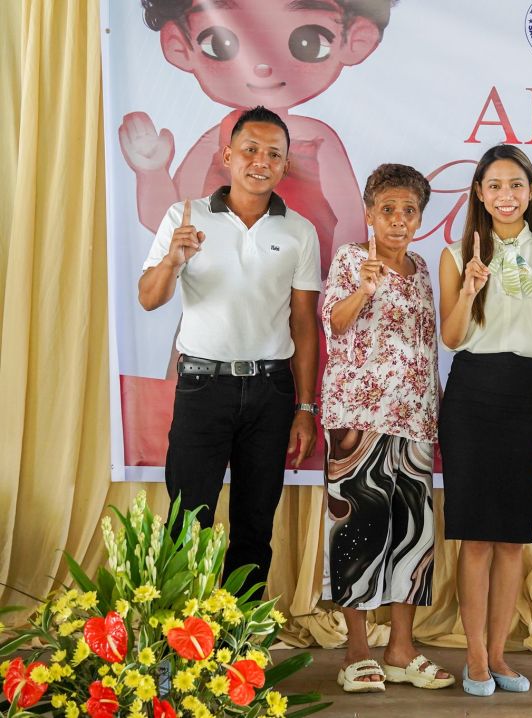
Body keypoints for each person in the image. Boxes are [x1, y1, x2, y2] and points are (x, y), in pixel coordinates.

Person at [138, 106, 320, 598]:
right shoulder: (185, 216)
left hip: (271, 389)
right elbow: (149, 298)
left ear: (285, 165)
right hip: (203, 386)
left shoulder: (299, 231)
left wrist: (305, 407)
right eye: (250, 150)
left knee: (255, 524)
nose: (261, 161)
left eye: (273, 154)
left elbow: (304, 325)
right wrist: (174, 260)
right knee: (186, 522)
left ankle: (239, 652)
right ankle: (177, 650)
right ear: (228, 156)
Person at [438, 144, 532, 696]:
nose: (505, 195)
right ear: (478, 192)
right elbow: (450, 338)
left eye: (515, 185)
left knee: (513, 539)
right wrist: (470, 287)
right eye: (494, 185)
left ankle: (500, 655)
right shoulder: (454, 255)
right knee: (475, 539)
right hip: (470, 396)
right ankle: (473, 656)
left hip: (525, 398)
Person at [122, 0, 395, 270]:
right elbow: (171, 221)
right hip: (223, 287)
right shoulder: (217, 141)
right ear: (180, 46)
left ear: (355, 40)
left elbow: (349, 221)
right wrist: (152, 173)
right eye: (220, 44)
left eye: (308, 42)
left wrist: (335, 284)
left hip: (304, 286)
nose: (261, 65)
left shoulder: (316, 138)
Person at [320, 164, 454, 693]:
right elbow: (335, 321)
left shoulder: (422, 268)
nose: (399, 220)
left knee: (413, 536)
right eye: (388, 210)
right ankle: (357, 651)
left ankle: (401, 647)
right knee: (358, 530)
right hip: (359, 420)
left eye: (409, 211)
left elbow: (427, 346)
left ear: (421, 216)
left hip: (416, 420)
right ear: (369, 213)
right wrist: (365, 290)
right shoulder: (353, 259)